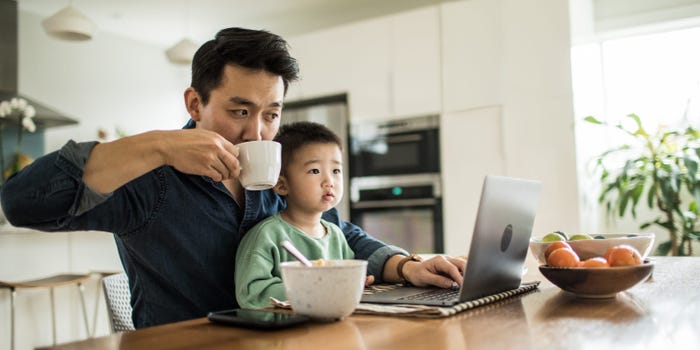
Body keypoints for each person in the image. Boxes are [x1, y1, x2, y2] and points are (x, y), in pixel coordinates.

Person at [0, 27, 465, 328]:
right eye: (239, 111)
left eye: (271, 114)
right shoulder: (150, 178)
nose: (255, 132)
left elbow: (337, 233)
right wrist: (159, 145)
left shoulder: (280, 172)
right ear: (195, 104)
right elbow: (21, 202)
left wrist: (405, 266)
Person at [236, 122, 358, 308]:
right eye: (315, 171)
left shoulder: (336, 235)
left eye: (336, 170)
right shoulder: (267, 236)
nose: (329, 181)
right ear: (282, 185)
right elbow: (252, 294)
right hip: (282, 332)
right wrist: (311, 288)